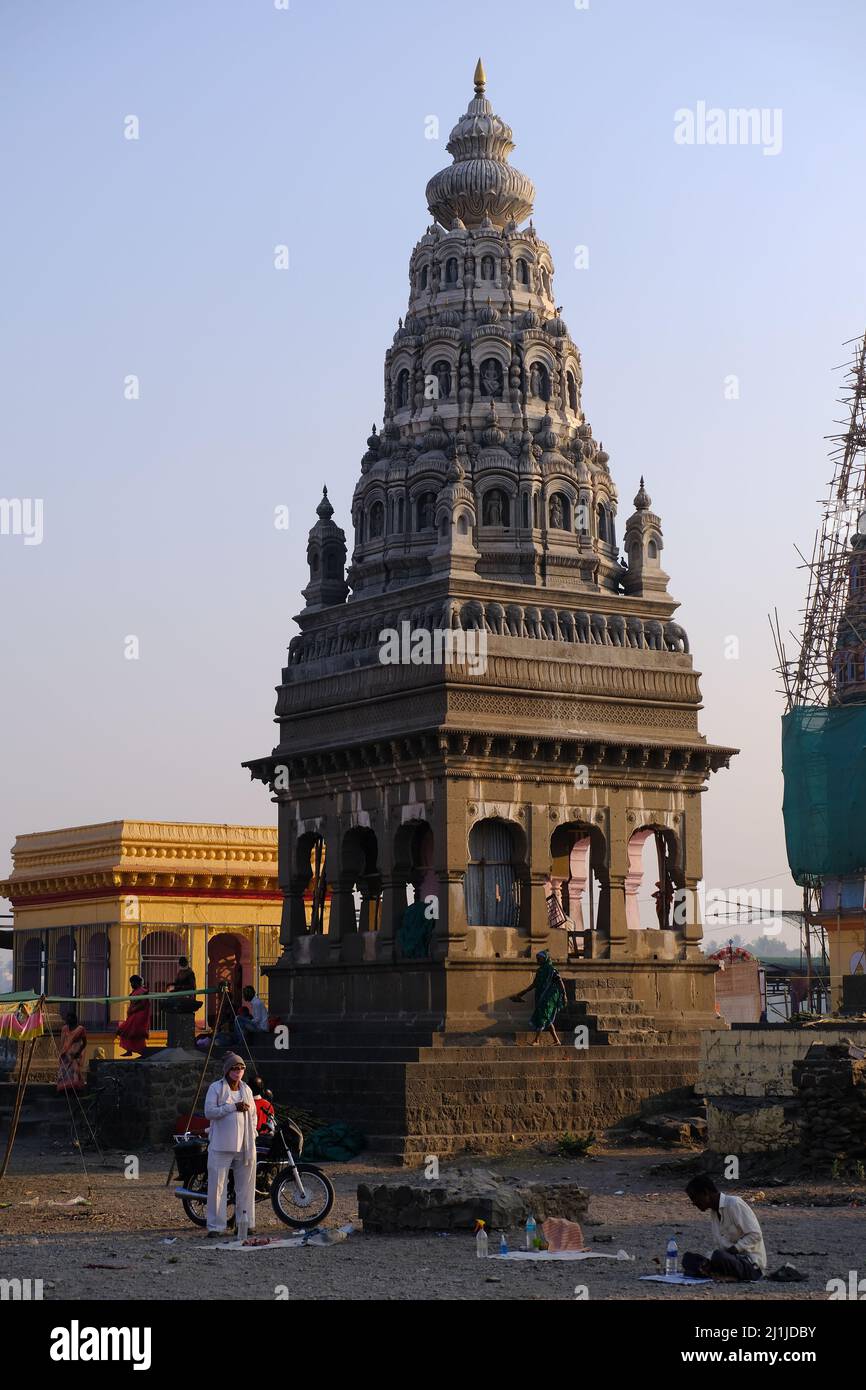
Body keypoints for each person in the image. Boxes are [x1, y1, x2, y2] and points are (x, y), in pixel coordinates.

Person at [203, 1053, 258, 1238]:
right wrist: (232, 1107)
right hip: (221, 1145)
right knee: (217, 1186)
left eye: (241, 1068)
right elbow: (209, 1112)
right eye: (234, 1068)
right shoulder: (216, 1088)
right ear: (227, 1070)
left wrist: (254, 1135)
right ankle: (216, 1226)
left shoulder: (247, 1090)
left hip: (245, 1145)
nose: (238, 1072)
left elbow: (253, 1116)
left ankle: (246, 1222)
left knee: (246, 1186)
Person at [682, 1174, 766, 1280]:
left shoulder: (734, 1204)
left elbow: (756, 1234)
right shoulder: (714, 1212)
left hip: (750, 1265)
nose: (694, 1203)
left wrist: (735, 1248)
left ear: (706, 1193)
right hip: (728, 1260)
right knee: (688, 1258)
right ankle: (714, 1272)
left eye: (695, 1198)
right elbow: (722, 1247)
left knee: (718, 1256)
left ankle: (714, 1273)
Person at [510, 949, 567, 1046]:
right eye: (537, 959)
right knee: (546, 1018)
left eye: (539, 959)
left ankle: (536, 1040)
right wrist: (521, 993)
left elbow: (560, 982)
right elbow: (534, 985)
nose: (537, 961)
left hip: (549, 997)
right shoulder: (540, 971)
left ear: (544, 959)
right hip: (541, 996)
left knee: (543, 1016)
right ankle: (556, 1040)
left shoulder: (551, 970)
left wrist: (564, 995)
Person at [115, 976, 151, 1057]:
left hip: (139, 1017)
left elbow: (142, 1005)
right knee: (127, 1033)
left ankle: (143, 1053)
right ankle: (129, 1050)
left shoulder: (142, 991)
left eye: (133, 982)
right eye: (131, 983)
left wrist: (133, 1010)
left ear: (138, 982)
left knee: (129, 1032)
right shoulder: (136, 991)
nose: (131, 984)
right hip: (133, 1016)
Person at [56, 1011, 87, 1092]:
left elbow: (84, 1043)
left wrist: (79, 1052)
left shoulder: (80, 1029)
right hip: (65, 1054)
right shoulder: (65, 1028)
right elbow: (62, 1042)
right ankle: (63, 1089)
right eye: (67, 1018)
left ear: (74, 1019)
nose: (67, 1019)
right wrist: (63, 1052)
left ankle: (75, 1089)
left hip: (76, 1054)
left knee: (74, 1071)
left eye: (69, 1018)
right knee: (63, 1072)